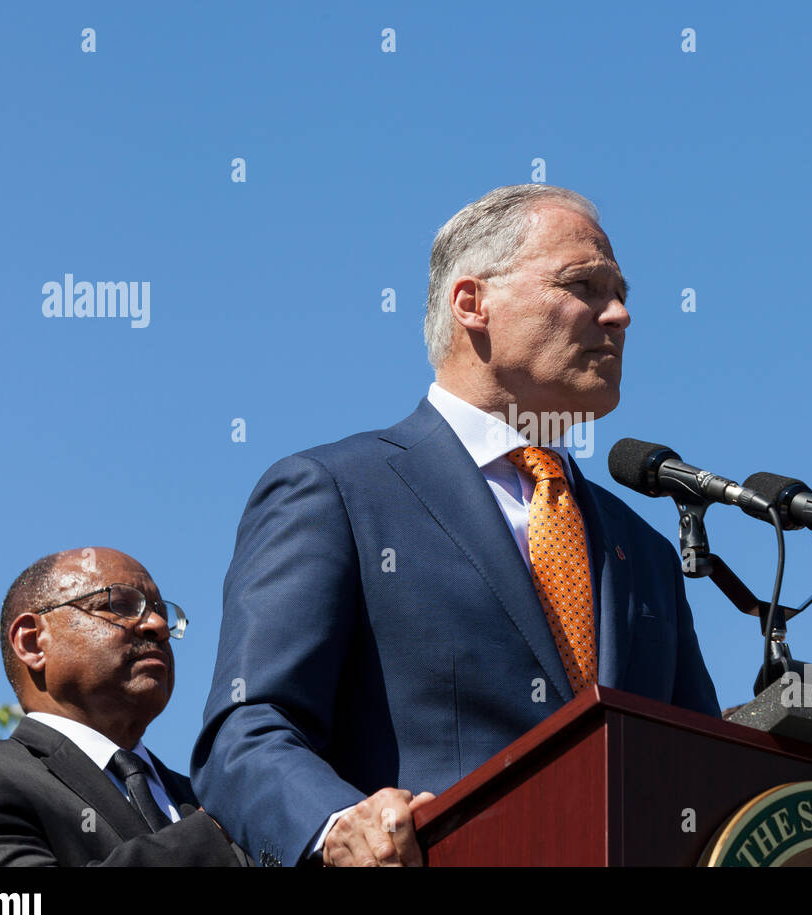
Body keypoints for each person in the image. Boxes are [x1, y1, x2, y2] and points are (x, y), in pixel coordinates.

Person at [193, 184, 721, 867]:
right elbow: (248, 730)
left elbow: (700, 769)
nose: (618, 315)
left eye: (620, 293)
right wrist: (337, 825)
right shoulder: (337, 492)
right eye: (584, 286)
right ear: (473, 303)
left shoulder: (643, 552)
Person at [0, 548, 248, 866]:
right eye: (121, 605)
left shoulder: (209, 798)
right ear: (32, 641)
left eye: (160, 612)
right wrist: (211, 834)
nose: (157, 626)